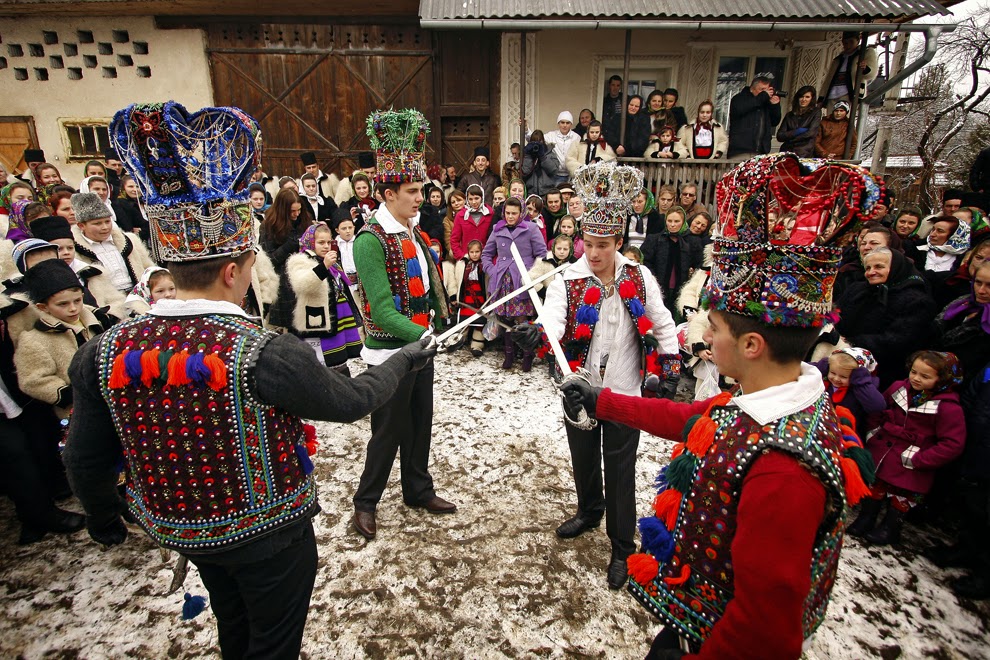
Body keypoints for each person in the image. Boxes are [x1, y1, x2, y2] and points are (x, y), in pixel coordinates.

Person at [65, 100, 437, 659]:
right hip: (268, 536)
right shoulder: (261, 351)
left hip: (183, 530)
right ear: (233, 271)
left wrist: (105, 520)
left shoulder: (102, 351)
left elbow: (84, 458)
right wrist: (406, 357)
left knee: (232, 621)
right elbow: (352, 399)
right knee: (272, 639)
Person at [560, 154, 878, 659]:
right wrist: (602, 401)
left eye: (716, 327)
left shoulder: (784, 470)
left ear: (751, 345)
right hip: (697, 619)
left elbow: (765, 628)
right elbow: (693, 420)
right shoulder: (759, 403)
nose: (704, 334)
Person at [512, 160, 680, 590]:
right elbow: (554, 322)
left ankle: (622, 545)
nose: (595, 252)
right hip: (580, 388)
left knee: (620, 469)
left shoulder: (639, 277)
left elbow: (661, 324)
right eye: (589, 242)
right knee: (583, 458)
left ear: (619, 242)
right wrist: (536, 335)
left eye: (604, 244)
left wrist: (671, 365)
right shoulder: (568, 278)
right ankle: (589, 509)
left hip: (625, 390)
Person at [351, 108, 454, 541]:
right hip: (390, 354)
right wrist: (421, 334)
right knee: (387, 431)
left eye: (420, 189)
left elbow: (425, 289)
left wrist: (445, 317)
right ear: (388, 193)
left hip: (420, 348)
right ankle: (366, 502)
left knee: (420, 419)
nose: (420, 198)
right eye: (412, 191)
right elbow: (380, 310)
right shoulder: (370, 240)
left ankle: (417, 488)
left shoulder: (411, 230)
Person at [847, 351, 965, 545]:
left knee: (901, 495)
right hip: (884, 448)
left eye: (925, 376)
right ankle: (866, 517)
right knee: (875, 485)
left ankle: (890, 527)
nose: (916, 378)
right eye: (914, 372)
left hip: (912, 458)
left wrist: (922, 459)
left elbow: (952, 443)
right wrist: (873, 432)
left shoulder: (948, 408)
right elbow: (879, 410)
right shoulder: (898, 388)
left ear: (943, 380)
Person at [835, 247, 937, 389]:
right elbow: (837, 315)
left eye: (879, 267)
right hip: (841, 365)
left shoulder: (917, 301)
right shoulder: (858, 289)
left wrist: (851, 343)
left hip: (881, 373)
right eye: (868, 268)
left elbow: (899, 340)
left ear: (896, 267)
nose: (871, 272)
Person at [270, 223, 362, 374]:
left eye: (328, 242)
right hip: (317, 321)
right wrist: (324, 266)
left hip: (337, 318)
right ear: (310, 241)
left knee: (340, 362)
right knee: (323, 363)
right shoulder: (300, 260)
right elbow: (302, 285)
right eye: (321, 242)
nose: (326, 246)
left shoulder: (329, 261)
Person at [482, 197, 546, 371]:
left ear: (521, 213)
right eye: (507, 213)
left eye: (514, 213)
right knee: (505, 320)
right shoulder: (497, 229)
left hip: (522, 280)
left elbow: (542, 255)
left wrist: (533, 275)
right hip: (502, 280)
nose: (510, 217)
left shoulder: (532, 229)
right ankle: (509, 354)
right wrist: (492, 270)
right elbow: (486, 254)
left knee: (522, 318)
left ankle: (527, 355)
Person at [70, 192, 154, 294]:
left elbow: (148, 267)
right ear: (81, 225)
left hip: (141, 293)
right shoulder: (75, 250)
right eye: (97, 223)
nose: (105, 227)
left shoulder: (129, 240)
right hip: (109, 301)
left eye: (107, 221)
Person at [931, 259, 990, 390]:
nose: (981, 290)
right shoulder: (961, 304)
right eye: (978, 282)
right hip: (927, 374)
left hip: (960, 389)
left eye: (989, 286)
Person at [641, 206, 703, 319]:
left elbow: (700, 263)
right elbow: (645, 261)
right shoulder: (655, 240)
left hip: (683, 289)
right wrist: (653, 278)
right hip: (658, 287)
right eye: (669, 221)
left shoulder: (692, 241)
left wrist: (692, 273)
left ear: (683, 222)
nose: (672, 225)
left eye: (676, 221)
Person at [812, 347, 886, 437]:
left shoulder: (863, 389)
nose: (836, 379)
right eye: (833, 373)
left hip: (844, 433)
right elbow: (801, 368)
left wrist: (860, 381)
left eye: (843, 377)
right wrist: (821, 367)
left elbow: (877, 406)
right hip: (816, 424)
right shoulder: (824, 378)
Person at [445, 239, 488, 357]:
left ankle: (477, 345)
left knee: (479, 322)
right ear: (468, 252)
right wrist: (453, 295)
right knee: (465, 321)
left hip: (480, 299)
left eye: (477, 252)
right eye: (472, 252)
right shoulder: (462, 264)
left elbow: (489, 282)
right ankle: (459, 340)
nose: (474, 254)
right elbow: (455, 281)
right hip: (466, 297)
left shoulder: (485, 264)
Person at [918, 215, 972, 309]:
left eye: (940, 231)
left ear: (955, 235)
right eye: (933, 229)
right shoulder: (915, 249)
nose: (932, 234)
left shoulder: (964, 258)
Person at [819, 31, 879, 112]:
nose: (848, 45)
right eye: (845, 43)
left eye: (851, 42)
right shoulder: (839, 58)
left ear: (858, 41)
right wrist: (822, 97)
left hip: (850, 92)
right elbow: (828, 79)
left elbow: (871, 73)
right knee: (831, 119)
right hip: (833, 92)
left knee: (844, 118)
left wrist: (865, 68)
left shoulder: (864, 53)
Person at [727, 75, 782, 158]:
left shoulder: (765, 102)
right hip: (741, 151)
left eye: (767, 90)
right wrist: (763, 96)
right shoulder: (739, 98)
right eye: (762, 90)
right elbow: (740, 109)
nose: (765, 93)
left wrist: (775, 106)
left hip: (761, 152)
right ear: (752, 88)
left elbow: (774, 122)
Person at [260, 188, 309, 274]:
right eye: (292, 211)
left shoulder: (304, 220)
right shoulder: (269, 226)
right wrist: (287, 247)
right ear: (282, 210)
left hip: (304, 269)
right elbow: (268, 260)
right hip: (280, 273)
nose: (297, 214)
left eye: (299, 210)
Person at [450, 184, 494, 261]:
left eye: (476, 198)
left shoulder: (490, 214)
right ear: (467, 199)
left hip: (486, 258)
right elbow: (454, 240)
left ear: (482, 198)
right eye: (470, 199)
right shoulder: (461, 215)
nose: (474, 202)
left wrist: (489, 255)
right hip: (467, 258)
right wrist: (462, 256)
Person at [776, 85, 822, 157]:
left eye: (807, 97)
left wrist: (790, 139)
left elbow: (811, 133)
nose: (803, 99)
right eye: (801, 96)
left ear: (811, 99)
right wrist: (796, 132)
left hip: (804, 152)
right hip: (786, 151)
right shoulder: (789, 115)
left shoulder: (816, 112)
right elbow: (779, 136)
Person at [544, 111, 581, 184]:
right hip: (553, 175)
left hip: (570, 176)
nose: (565, 125)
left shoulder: (577, 137)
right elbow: (535, 140)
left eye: (567, 123)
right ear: (558, 123)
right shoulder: (551, 136)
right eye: (562, 122)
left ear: (571, 124)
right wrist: (526, 129)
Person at [521, 131, 560, 197]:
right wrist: (528, 155)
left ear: (543, 141)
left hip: (547, 192)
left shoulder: (550, 153)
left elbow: (553, 170)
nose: (537, 144)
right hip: (531, 192)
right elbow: (525, 171)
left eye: (539, 141)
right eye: (534, 142)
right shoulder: (528, 154)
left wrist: (543, 157)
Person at [111, 175, 149, 242]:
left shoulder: (148, 203)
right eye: (130, 187)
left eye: (138, 186)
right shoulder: (120, 204)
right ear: (123, 188)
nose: (135, 190)